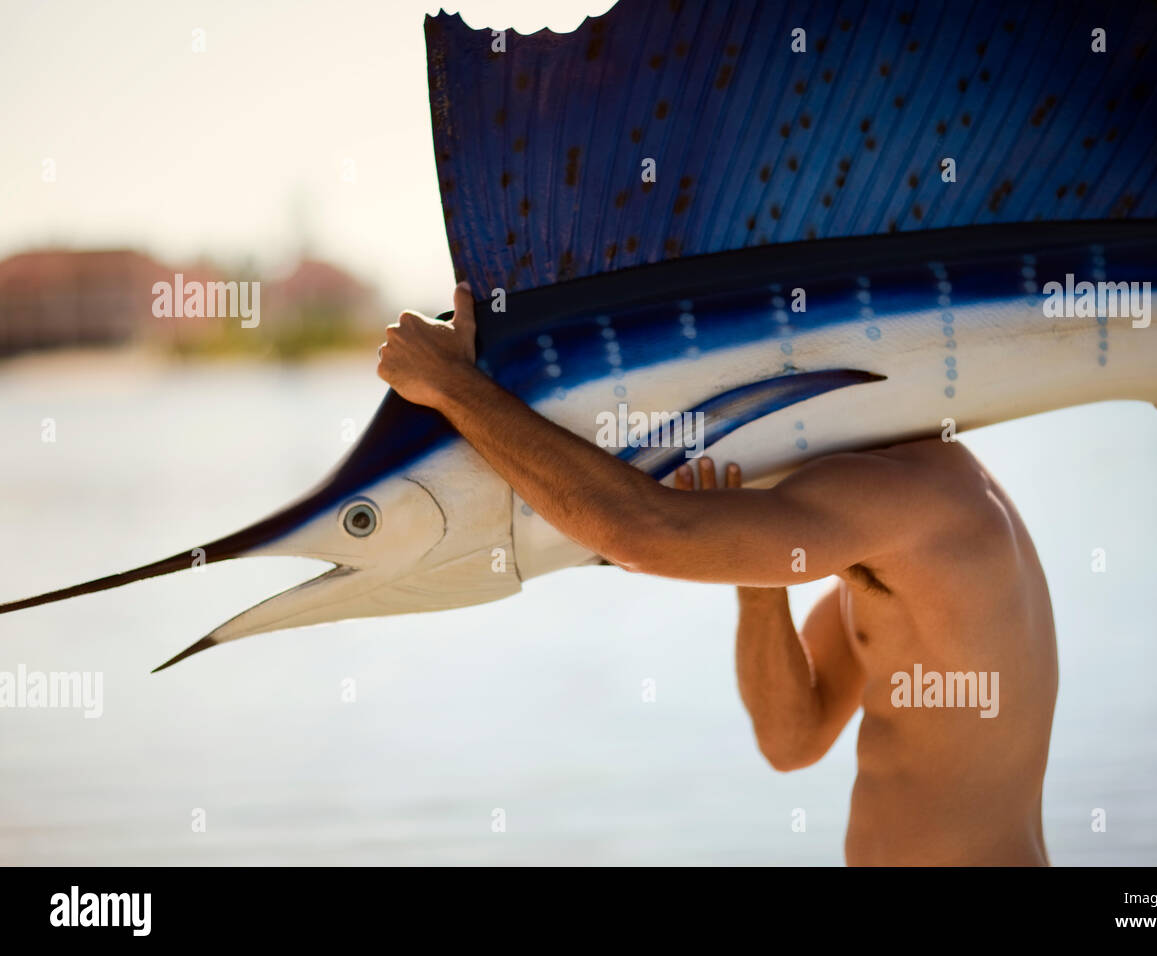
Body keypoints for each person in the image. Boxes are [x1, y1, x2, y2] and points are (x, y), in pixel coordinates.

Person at [378, 284, 1059, 866]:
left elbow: (643, 532)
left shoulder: (909, 499)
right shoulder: (911, 531)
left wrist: (452, 388)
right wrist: (760, 578)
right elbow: (792, 743)